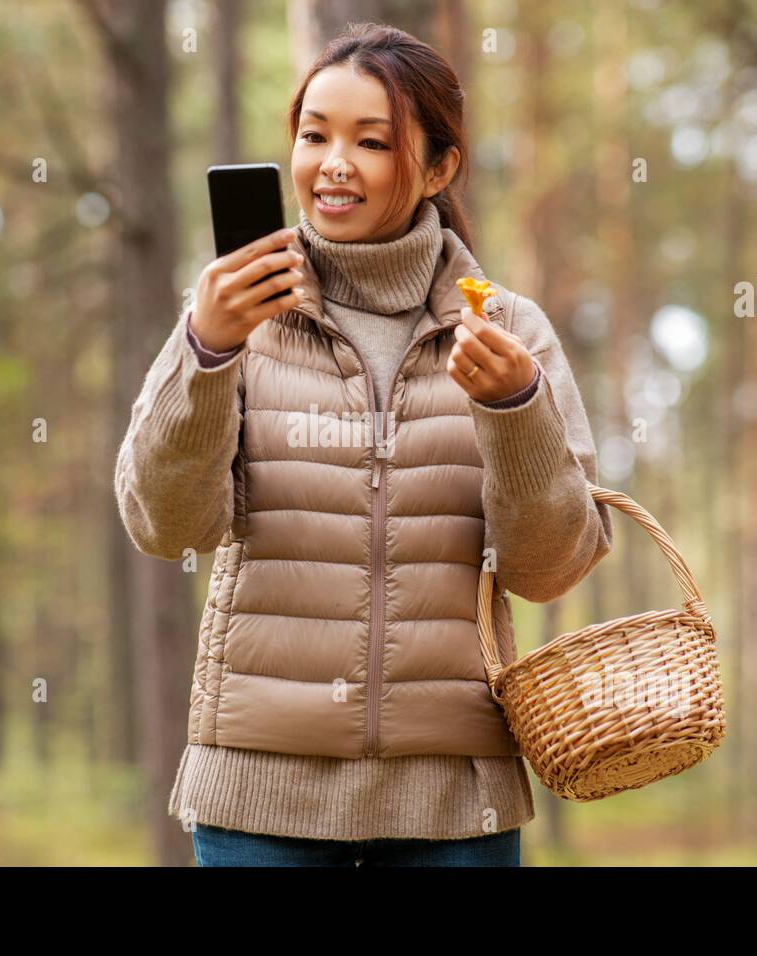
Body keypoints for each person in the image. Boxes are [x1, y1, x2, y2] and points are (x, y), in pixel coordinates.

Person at [115, 22, 613, 867]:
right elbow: (164, 525)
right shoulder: (234, 312)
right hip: (259, 797)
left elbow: (549, 568)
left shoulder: (509, 329)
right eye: (314, 135)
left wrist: (516, 409)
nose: (332, 163)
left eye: (370, 141)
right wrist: (206, 354)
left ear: (440, 167)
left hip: (454, 807)